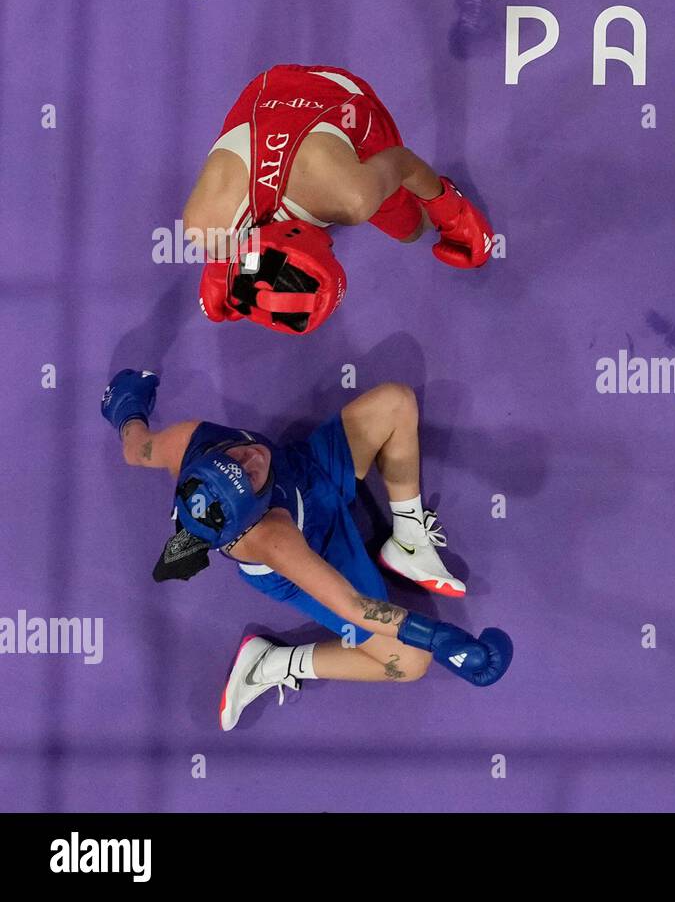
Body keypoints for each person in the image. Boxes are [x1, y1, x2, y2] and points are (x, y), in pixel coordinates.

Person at [101, 368, 512, 731]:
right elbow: (355, 606)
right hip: (320, 548)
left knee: (396, 402)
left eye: (235, 457)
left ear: (205, 460)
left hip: (307, 470)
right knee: (408, 663)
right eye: (250, 476)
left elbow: (136, 449)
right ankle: (272, 663)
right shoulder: (272, 539)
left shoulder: (187, 443)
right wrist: (439, 638)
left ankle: (406, 541)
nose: (250, 457)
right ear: (257, 511)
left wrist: (125, 408)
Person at [183, 63, 493, 334]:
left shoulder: (351, 198)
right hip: (265, 89)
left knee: (411, 229)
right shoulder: (202, 223)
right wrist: (222, 271)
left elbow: (402, 162)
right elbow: (228, 250)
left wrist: (449, 209)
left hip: (336, 96)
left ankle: (431, 212)